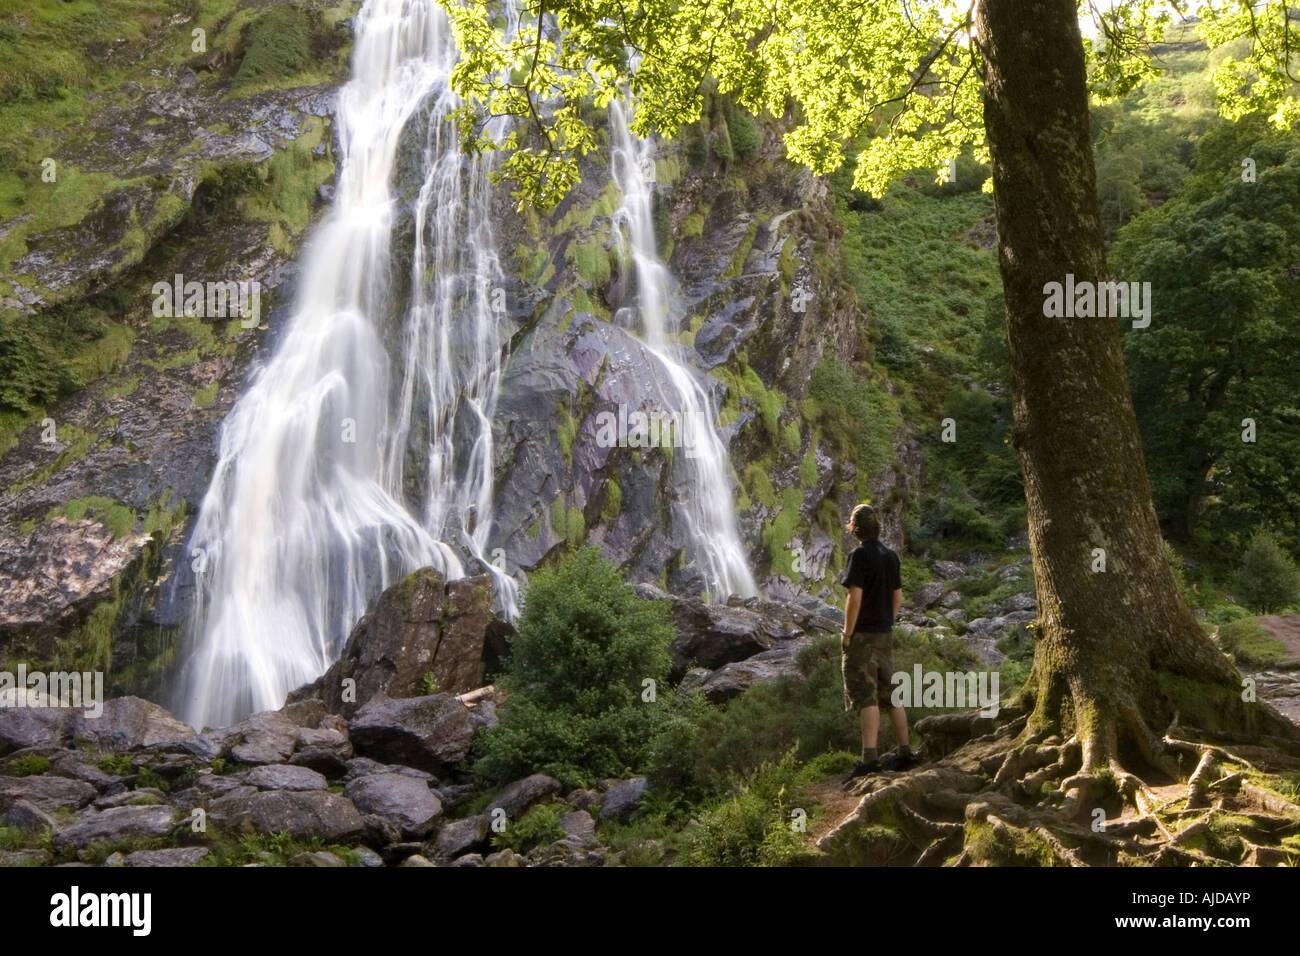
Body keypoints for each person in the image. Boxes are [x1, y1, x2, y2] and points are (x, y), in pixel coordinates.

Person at [840, 503, 916, 782]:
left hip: (863, 636)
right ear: (878, 527)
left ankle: (870, 760)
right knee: (891, 693)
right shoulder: (890, 556)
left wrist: (848, 633)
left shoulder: (858, 555)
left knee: (867, 696)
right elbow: (898, 598)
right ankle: (905, 752)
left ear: (855, 527)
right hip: (885, 634)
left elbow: (854, 597)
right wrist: (887, 622)